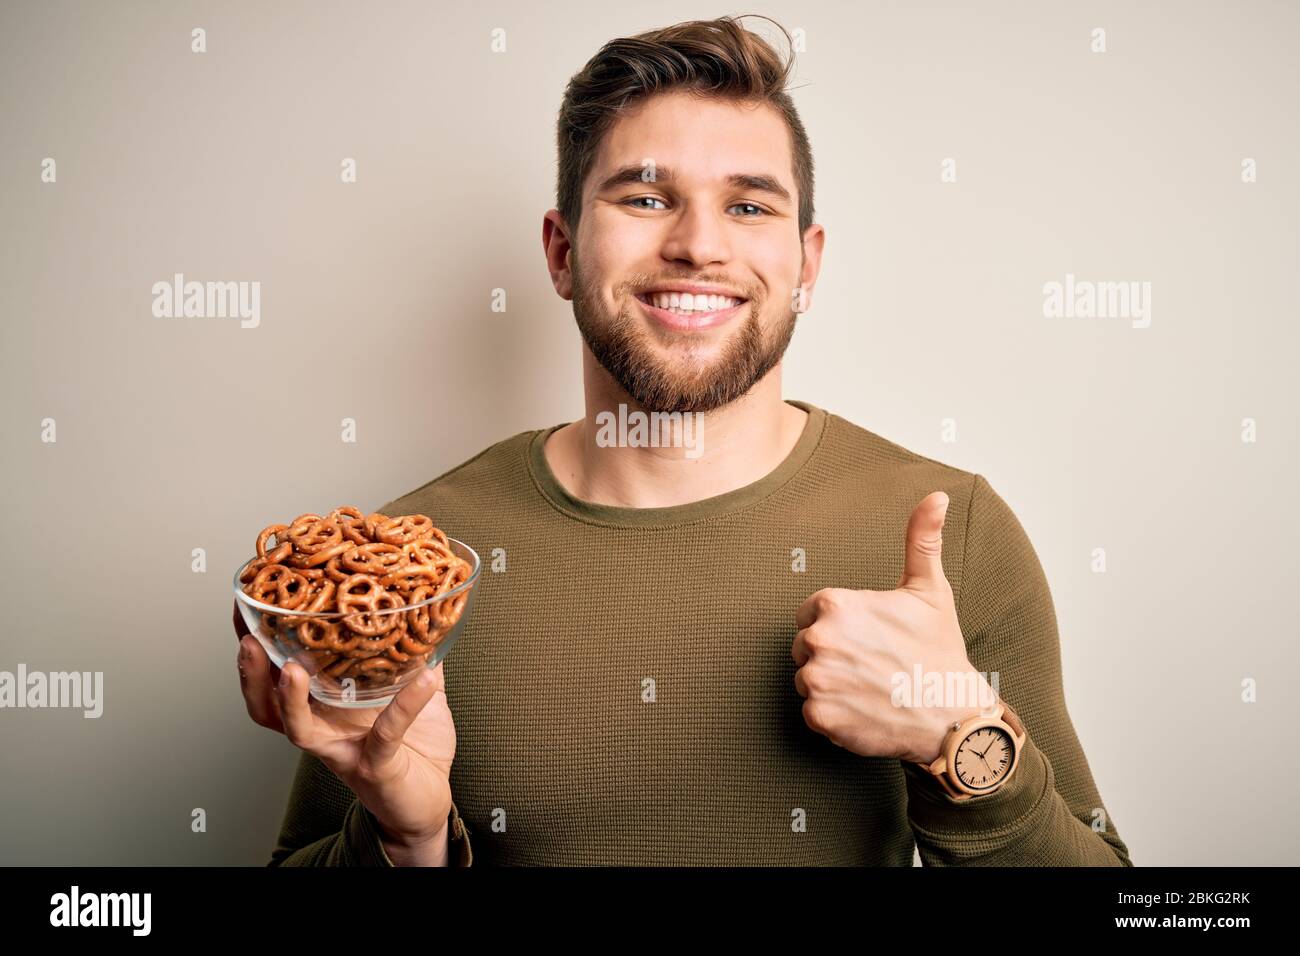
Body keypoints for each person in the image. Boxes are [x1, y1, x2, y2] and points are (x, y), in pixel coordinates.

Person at [235, 14, 1132, 867]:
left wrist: (958, 734)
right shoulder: (417, 565)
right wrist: (407, 840)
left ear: (806, 263)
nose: (699, 245)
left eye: (748, 208)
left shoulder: (950, 533)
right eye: (646, 196)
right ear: (559, 251)